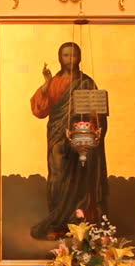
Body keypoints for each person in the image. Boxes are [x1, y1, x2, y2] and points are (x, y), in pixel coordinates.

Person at [29, 41, 109, 241]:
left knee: (80, 177)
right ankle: (57, 223)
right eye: (66, 55)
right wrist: (46, 83)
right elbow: (40, 110)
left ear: (80, 57)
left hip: (80, 135)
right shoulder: (54, 82)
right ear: (60, 58)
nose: (70, 59)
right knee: (57, 175)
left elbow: (97, 114)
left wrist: (92, 122)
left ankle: (78, 223)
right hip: (57, 133)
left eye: (73, 55)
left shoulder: (86, 82)